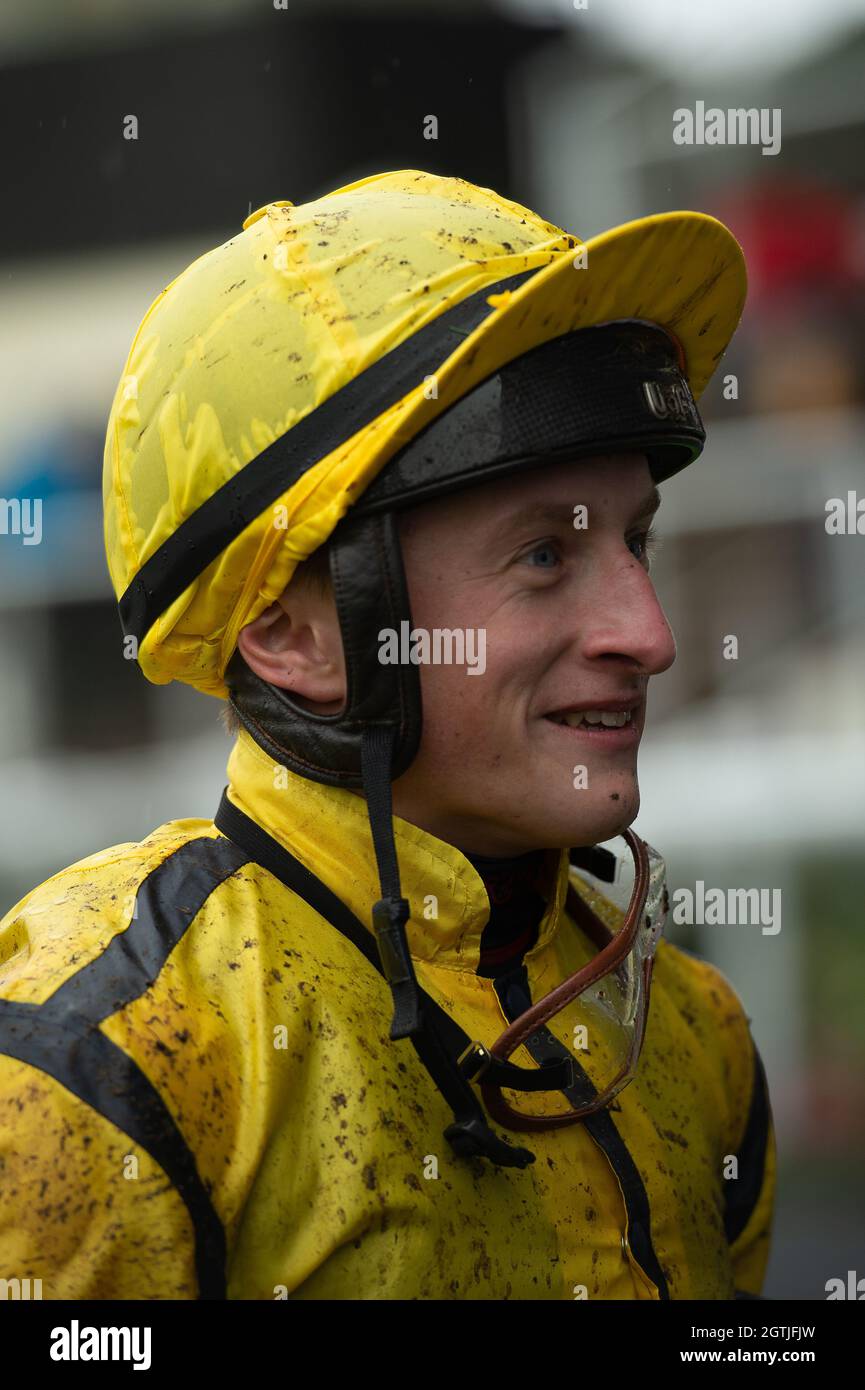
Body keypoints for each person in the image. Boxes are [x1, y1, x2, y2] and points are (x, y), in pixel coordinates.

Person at [0, 169, 775, 1299]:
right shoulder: (103, 1059)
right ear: (295, 634)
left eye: (635, 541)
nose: (647, 635)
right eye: (545, 556)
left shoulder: (696, 1036)